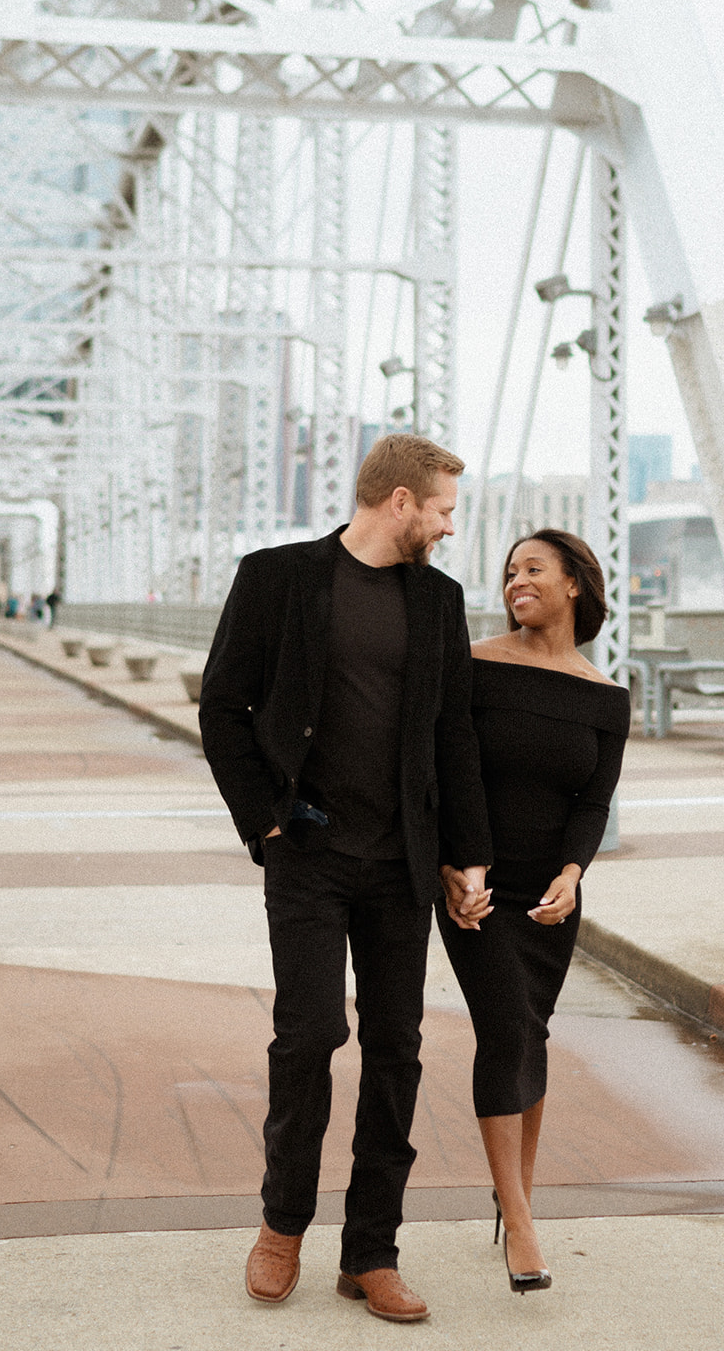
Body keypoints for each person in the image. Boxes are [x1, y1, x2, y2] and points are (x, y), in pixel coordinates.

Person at [199, 433, 492, 1325]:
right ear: (399, 501)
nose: (449, 527)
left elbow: (453, 733)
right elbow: (223, 705)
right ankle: (282, 1226)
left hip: (400, 861)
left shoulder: (439, 601)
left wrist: (465, 854)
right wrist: (270, 821)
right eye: (442, 509)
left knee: (396, 1051)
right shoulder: (277, 577)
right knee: (309, 1035)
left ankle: (371, 1252)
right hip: (311, 859)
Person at [437, 529, 630, 1295]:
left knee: (533, 1032)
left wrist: (575, 874)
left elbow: (594, 800)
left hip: (552, 898)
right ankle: (520, 1221)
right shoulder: (475, 665)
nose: (517, 580)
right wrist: (455, 862)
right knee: (507, 1026)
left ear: (574, 583)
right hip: (478, 888)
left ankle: (514, 1194)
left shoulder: (607, 696)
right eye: (510, 570)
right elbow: (449, 768)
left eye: (533, 569)